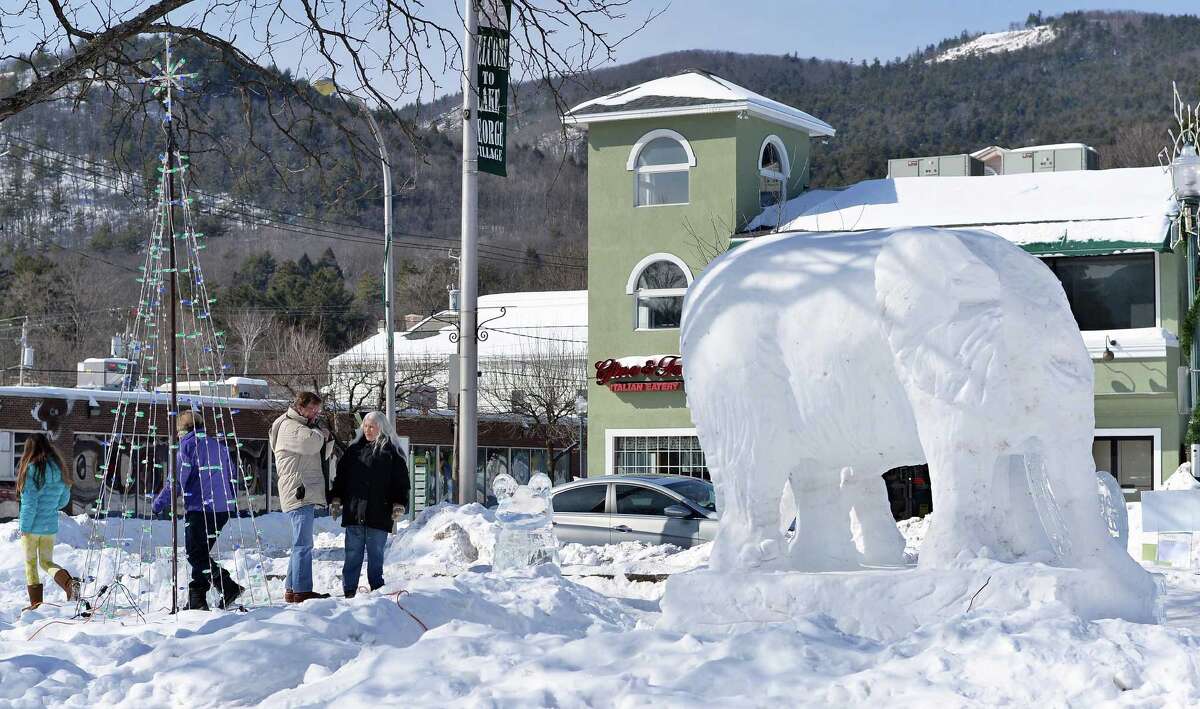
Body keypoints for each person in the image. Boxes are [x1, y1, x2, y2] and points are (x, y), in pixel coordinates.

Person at [152, 410, 244, 611]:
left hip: (201, 508)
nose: (177, 435)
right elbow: (232, 474)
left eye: (178, 430)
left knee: (195, 554)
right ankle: (197, 600)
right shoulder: (219, 446)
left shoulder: (187, 447)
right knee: (201, 553)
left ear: (183, 429)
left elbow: (175, 482)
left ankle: (227, 586)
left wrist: (158, 504)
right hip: (223, 509)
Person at [330, 411, 410, 598]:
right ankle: (349, 590)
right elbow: (341, 478)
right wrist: (336, 498)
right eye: (365, 426)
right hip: (354, 512)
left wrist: (398, 503)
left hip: (378, 512)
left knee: (376, 556)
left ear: (381, 428)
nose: (367, 430)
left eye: (372, 426)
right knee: (352, 555)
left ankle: (377, 589)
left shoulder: (391, 453)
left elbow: (401, 482)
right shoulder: (353, 451)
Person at [270, 391, 333, 603]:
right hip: (299, 490)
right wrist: (321, 433)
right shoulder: (290, 426)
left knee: (301, 543)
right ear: (300, 406)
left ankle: (291, 588)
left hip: (301, 489)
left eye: (318, 410)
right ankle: (302, 590)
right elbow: (312, 444)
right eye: (312, 409)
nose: (315, 414)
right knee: (303, 545)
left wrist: (322, 434)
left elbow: (322, 452)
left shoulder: (300, 425)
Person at [17, 433, 81, 610]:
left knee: (31, 564)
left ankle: (36, 605)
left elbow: (29, 503)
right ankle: (69, 584)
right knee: (46, 562)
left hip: (32, 528)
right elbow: (62, 501)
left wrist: (25, 527)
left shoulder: (30, 470)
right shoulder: (59, 469)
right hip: (50, 526)